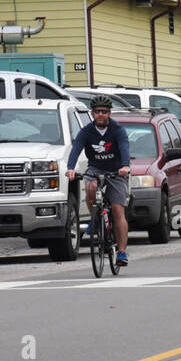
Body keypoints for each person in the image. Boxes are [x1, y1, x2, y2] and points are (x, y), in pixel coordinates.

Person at [65, 94, 131, 267]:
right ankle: (95, 219)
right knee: (91, 185)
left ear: (109, 113)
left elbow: (124, 147)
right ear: (92, 113)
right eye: (97, 112)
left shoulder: (118, 130)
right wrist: (70, 168)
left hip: (116, 170)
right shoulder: (86, 131)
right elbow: (76, 148)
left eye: (104, 111)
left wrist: (125, 165)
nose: (100, 114)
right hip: (95, 169)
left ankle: (122, 252)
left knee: (118, 210)